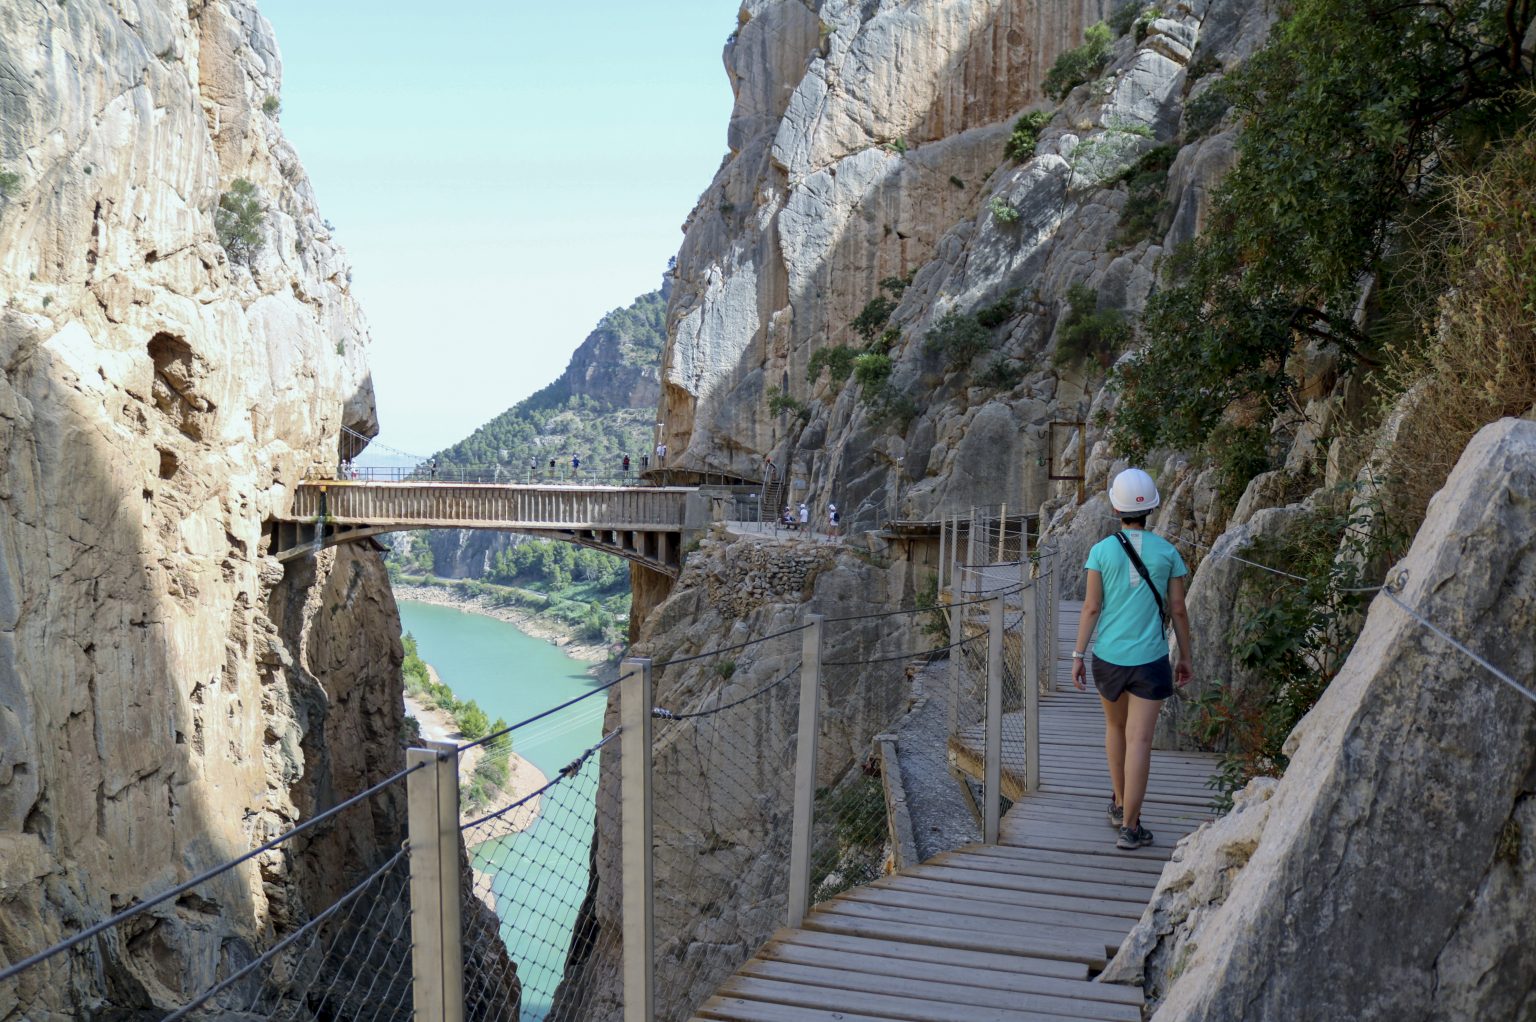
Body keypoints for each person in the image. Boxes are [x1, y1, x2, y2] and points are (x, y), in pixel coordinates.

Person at [1070, 467, 1193, 851]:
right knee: (1140, 739)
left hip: (1108, 657)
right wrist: (1185, 657)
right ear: (1152, 507)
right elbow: (1178, 609)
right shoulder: (1168, 552)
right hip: (1150, 660)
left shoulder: (1100, 551)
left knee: (1115, 728)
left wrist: (1077, 655)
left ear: (1116, 508)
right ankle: (1130, 827)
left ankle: (1120, 802)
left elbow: (1091, 607)